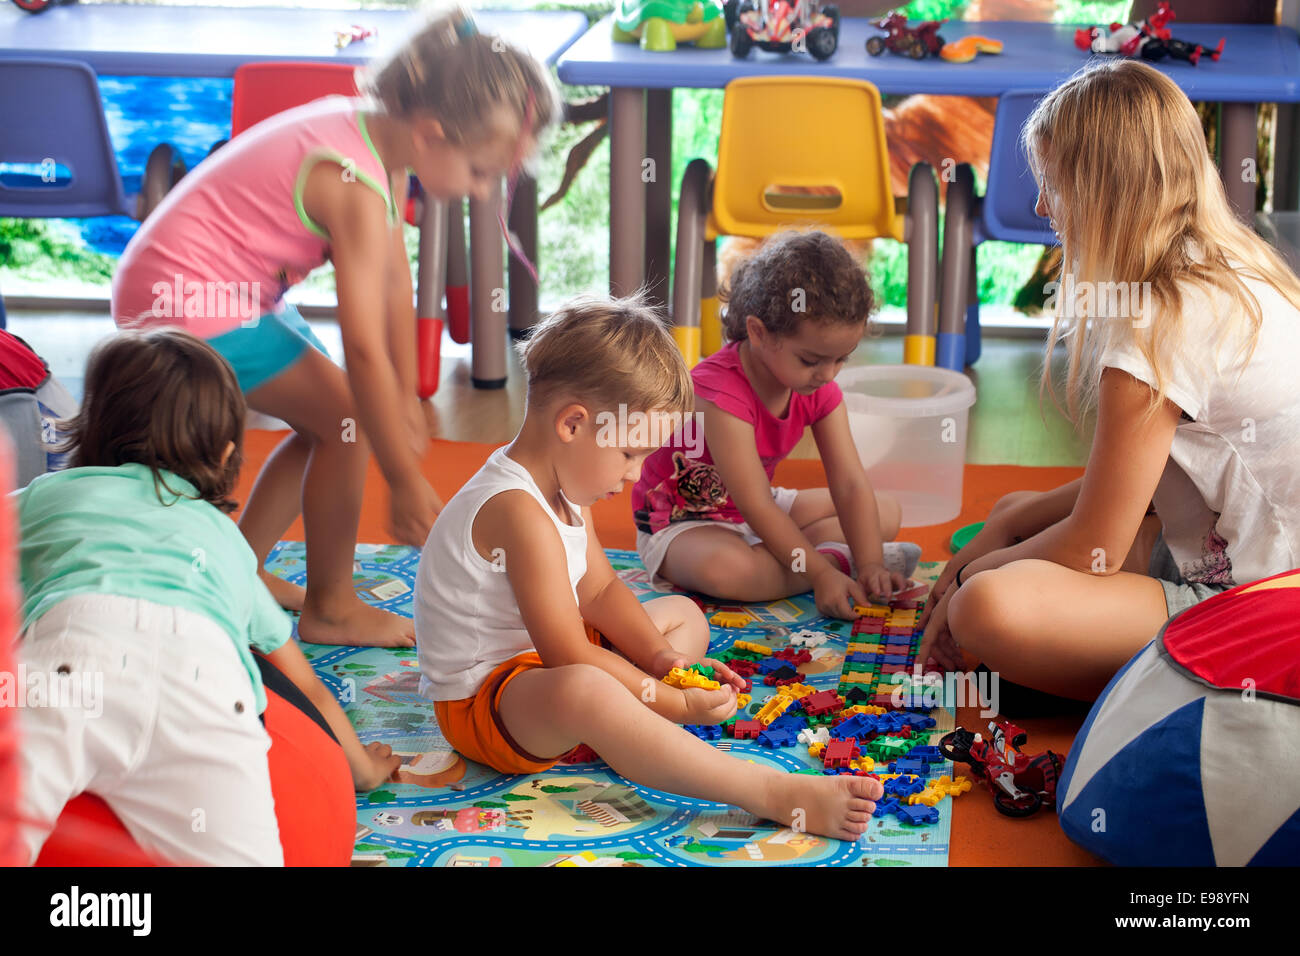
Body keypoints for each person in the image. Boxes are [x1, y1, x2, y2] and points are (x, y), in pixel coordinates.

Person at [110, 8, 561, 647]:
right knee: (348, 425)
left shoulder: (379, 144)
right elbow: (363, 345)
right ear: (432, 132)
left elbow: (395, 287)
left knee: (333, 421)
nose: (480, 190)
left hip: (224, 288)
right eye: (481, 173)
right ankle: (332, 606)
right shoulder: (350, 182)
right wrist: (402, 481)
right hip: (182, 300)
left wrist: (407, 396)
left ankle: (243, 567)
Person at [414, 294, 881, 841]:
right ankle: (768, 792)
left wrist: (662, 662)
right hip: (487, 705)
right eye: (630, 454)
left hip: (545, 662)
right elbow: (567, 655)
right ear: (572, 424)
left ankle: (629, 732)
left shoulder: (564, 487)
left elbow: (598, 587)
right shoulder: (519, 512)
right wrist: (668, 701)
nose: (635, 477)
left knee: (683, 616)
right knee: (586, 689)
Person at [919, 59, 1300, 703]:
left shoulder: (1158, 315)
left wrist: (967, 579)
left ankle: (1168, 686)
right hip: (1236, 553)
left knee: (984, 606)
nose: (1041, 206)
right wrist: (1010, 523)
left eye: (1053, 185)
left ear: (1103, 192)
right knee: (1017, 511)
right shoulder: (1225, 257)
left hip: (1265, 609)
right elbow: (1139, 487)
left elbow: (1094, 542)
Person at [13, 329, 401, 866]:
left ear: (90, 428)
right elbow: (304, 680)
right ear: (224, 455)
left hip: (72, 664)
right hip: (203, 689)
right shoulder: (224, 543)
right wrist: (359, 766)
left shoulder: (47, 495)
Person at [632, 230, 920, 620]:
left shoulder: (817, 386)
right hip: (685, 521)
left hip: (760, 508)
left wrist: (870, 565)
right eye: (811, 360)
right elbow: (755, 504)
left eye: (841, 360)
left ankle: (828, 561)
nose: (827, 374)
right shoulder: (718, 390)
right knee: (728, 571)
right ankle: (831, 564)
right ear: (758, 332)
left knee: (885, 512)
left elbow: (850, 483)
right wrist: (818, 573)